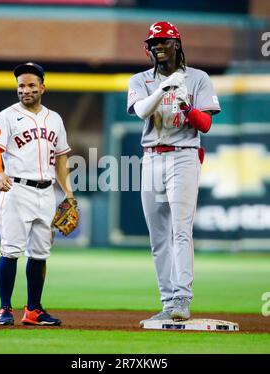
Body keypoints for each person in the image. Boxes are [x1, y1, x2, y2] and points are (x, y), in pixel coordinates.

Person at [127, 22, 221, 324]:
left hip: (183, 156)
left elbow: (205, 124)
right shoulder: (140, 80)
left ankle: (182, 297)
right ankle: (168, 301)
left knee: (181, 229)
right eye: (154, 43)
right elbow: (142, 111)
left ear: (177, 44)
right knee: (158, 236)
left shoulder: (198, 78)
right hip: (152, 157)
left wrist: (186, 106)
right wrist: (164, 90)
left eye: (164, 41)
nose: (158, 47)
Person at [0, 62, 77, 326]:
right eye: (21, 85)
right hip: (16, 189)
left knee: (39, 253)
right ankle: (5, 309)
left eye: (30, 85)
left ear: (42, 88)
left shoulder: (54, 119)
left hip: (46, 192)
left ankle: (33, 311)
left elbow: (61, 160)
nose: (25, 90)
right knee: (11, 250)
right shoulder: (7, 116)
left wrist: (68, 195)